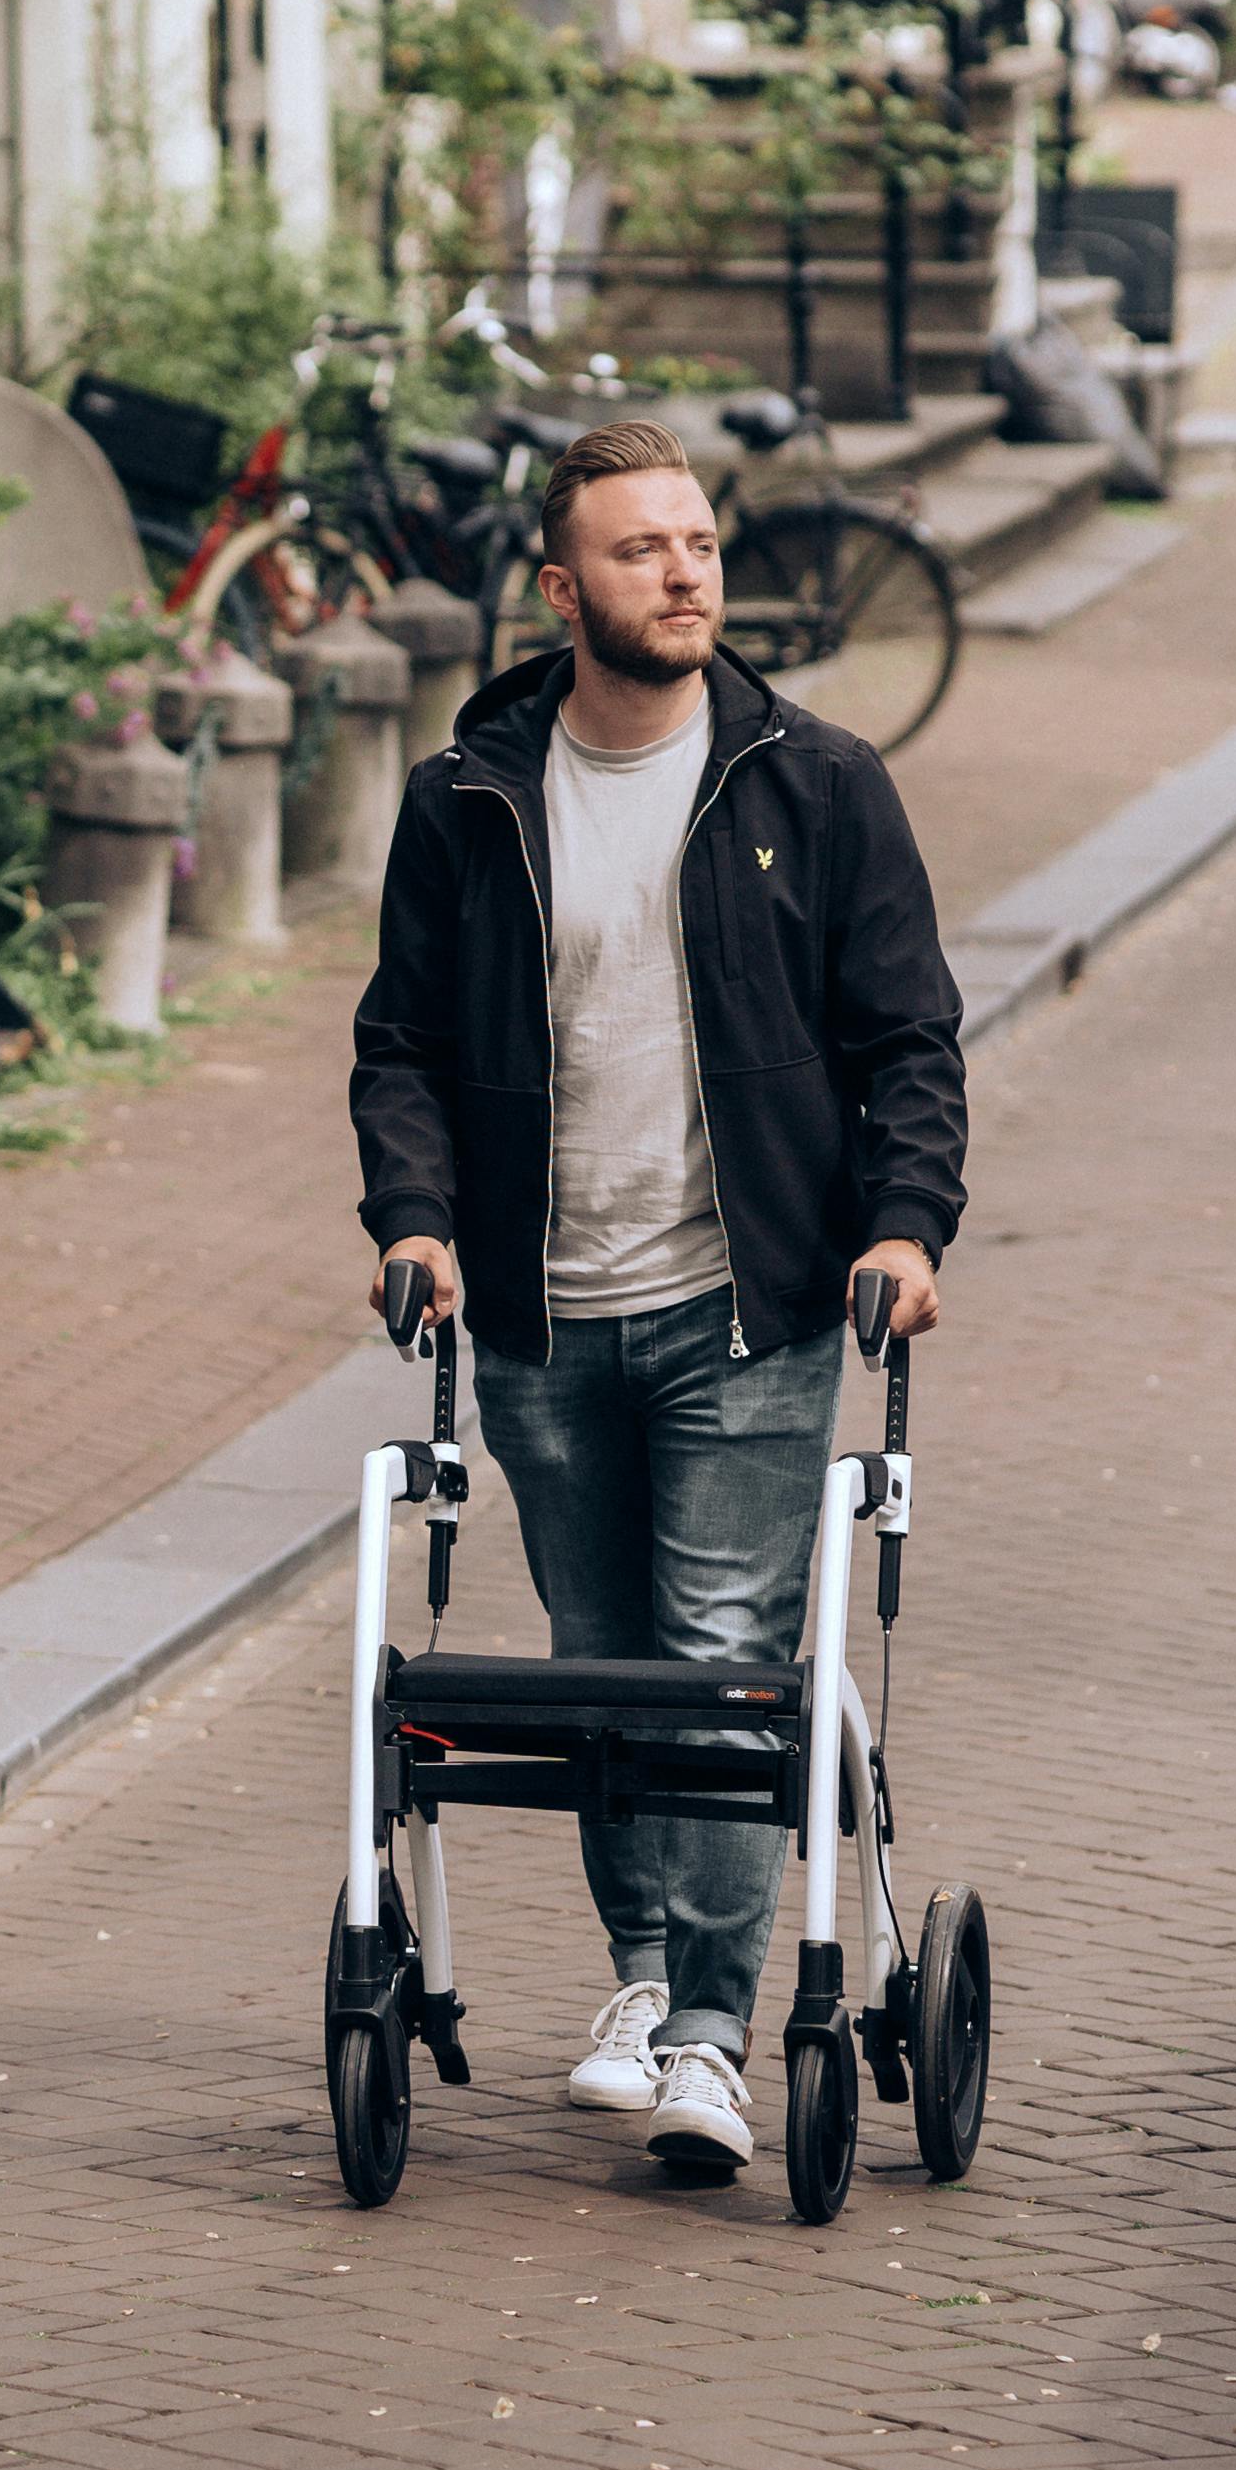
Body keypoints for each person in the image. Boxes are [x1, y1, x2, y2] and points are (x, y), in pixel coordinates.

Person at [348, 416, 967, 2179]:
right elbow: (397, 1043)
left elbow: (906, 1036)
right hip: (542, 1312)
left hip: (747, 1299)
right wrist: (416, 1215)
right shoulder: (468, 795)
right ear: (561, 588)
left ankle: (708, 2031)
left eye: (697, 542)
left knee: (710, 1665)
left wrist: (903, 1224)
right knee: (600, 1672)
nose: (685, 571)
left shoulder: (814, 781)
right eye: (641, 549)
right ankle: (641, 1978)